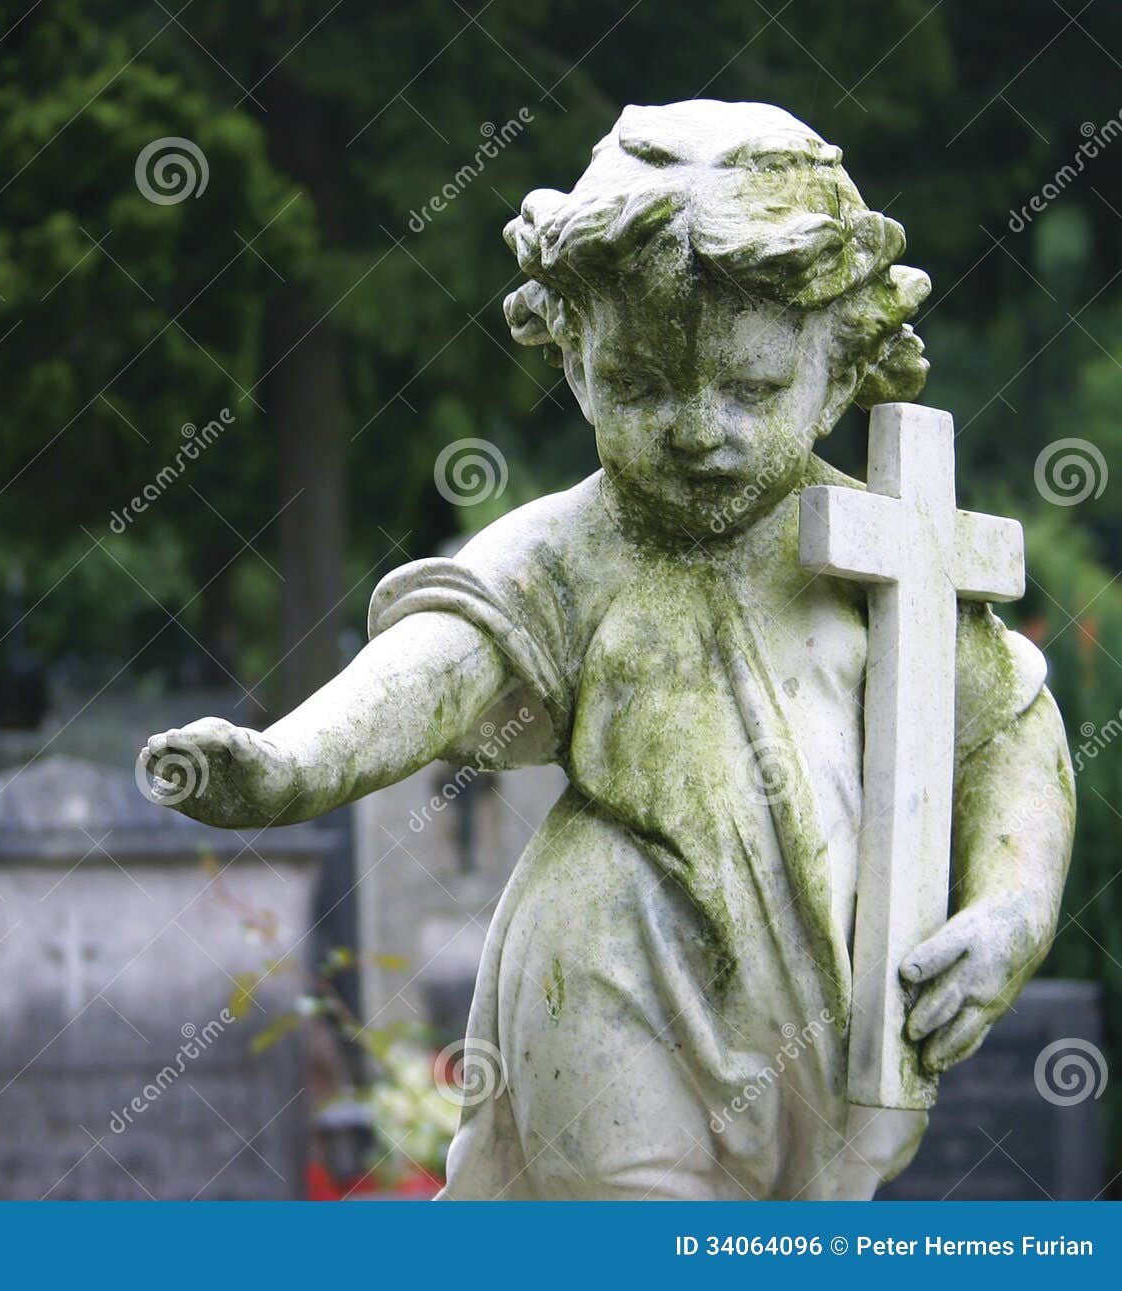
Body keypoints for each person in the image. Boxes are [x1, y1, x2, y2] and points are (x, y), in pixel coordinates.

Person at [141, 101, 1074, 1199]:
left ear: (842, 364)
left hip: (829, 1016)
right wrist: (289, 765)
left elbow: (1007, 736)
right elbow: (433, 667)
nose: (695, 428)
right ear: (574, 360)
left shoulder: (891, 549)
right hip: (609, 958)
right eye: (638, 385)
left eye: (752, 388)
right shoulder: (574, 548)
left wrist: (1011, 909)